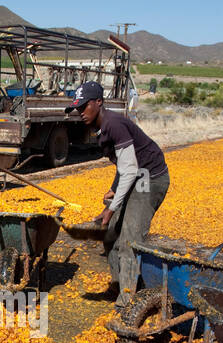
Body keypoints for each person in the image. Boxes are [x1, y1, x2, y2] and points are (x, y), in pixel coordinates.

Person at [68, 80, 170, 308]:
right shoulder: (99, 127)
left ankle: (127, 302)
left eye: (84, 106)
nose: (81, 112)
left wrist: (111, 207)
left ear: (98, 102)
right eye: (78, 108)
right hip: (135, 175)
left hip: (149, 179)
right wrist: (115, 188)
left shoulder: (113, 124)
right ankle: (119, 285)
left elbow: (132, 170)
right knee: (110, 234)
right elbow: (123, 165)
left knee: (129, 241)